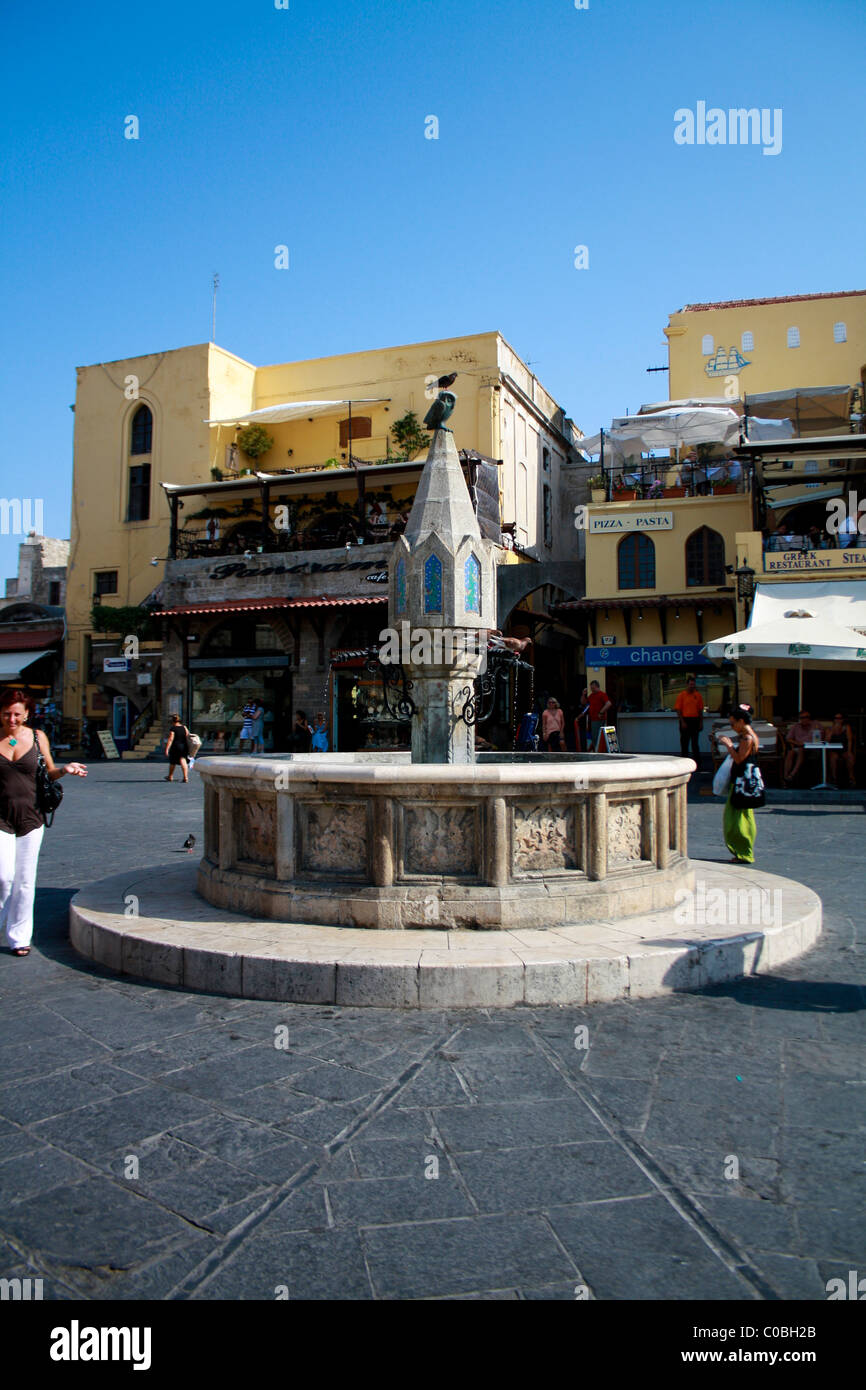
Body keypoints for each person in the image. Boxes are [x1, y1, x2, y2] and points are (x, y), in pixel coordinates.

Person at [0, 687, 87, 957]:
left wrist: (66, 769)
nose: (11, 720)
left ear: (26, 714)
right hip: (0, 816)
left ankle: (19, 937)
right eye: (6, 714)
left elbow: (49, 772)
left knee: (25, 880)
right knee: (4, 877)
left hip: (31, 815)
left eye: (16, 714)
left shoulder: (38, 737)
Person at [716, 702, 760, 864]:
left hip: (742, 783)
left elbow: (740, 759)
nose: (732, 726)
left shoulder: (747, 738)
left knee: (736, 820)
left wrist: (729, 746)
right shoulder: (750, 735)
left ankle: (744, 852)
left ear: (741, 721)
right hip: (744, 782)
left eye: (733, 723)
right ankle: (743, 851)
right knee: (740, 818)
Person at [783, 709, 820, 786]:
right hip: (799, 747)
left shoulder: (815, 725)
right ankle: (786, 777)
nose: (804, 719)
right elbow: (788, 738)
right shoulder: (796, 727)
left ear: (809, 718)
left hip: (813, 748)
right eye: (802, 718)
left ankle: (792, 775)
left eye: (806, 717)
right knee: (791, 752)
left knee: (800, 750)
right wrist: (797, 743)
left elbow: (821, 736)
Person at [674, 674, 704, 765]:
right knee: (684, 743)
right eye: (690, 684)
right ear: (687, 685)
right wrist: (682, 722)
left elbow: (700, 710)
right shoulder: (682, 695)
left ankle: (697, 764)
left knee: (695, 744)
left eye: (693, 684)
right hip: (685, 720)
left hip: (695, 720)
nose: (692, 686)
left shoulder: (698, 695)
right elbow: (678, 709)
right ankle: (684, 763)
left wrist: (701, 722)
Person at [827, 712, 856, 787]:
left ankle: (851, 777)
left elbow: (849, 740)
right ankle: (834, 778)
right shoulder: (830, 728)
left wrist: (849, 751)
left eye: (839, 718)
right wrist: (832, 731)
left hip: (844, 749)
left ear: (842, 720)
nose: (838, 720)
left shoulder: (846, 727)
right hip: (833, 749)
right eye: (836, 718)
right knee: (833, 757)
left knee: (850, 757)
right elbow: (826, 740)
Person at [585, 680, 612, 750]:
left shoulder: (602, 694)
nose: (592, 690)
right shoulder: (591, 696)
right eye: (591, 688)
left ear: (597, 687)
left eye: (593, 688)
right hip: (592, 719)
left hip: (599, 719)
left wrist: (601, 712)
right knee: (594, 736)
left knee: (597, 736)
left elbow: (608, 704)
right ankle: (596, 749)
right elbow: (584, 703)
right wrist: (583, 694)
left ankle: (598, 750)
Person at [164, 713, 191, 783]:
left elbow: (170, 739)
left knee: (172, 761)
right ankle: (185, 777)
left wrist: (167, 749)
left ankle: (170, 776)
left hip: (175, 746)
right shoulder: (184, 727)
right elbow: (188, 736)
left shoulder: (173, 728)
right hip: (184, 746)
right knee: (183, 760)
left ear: (172, 721)